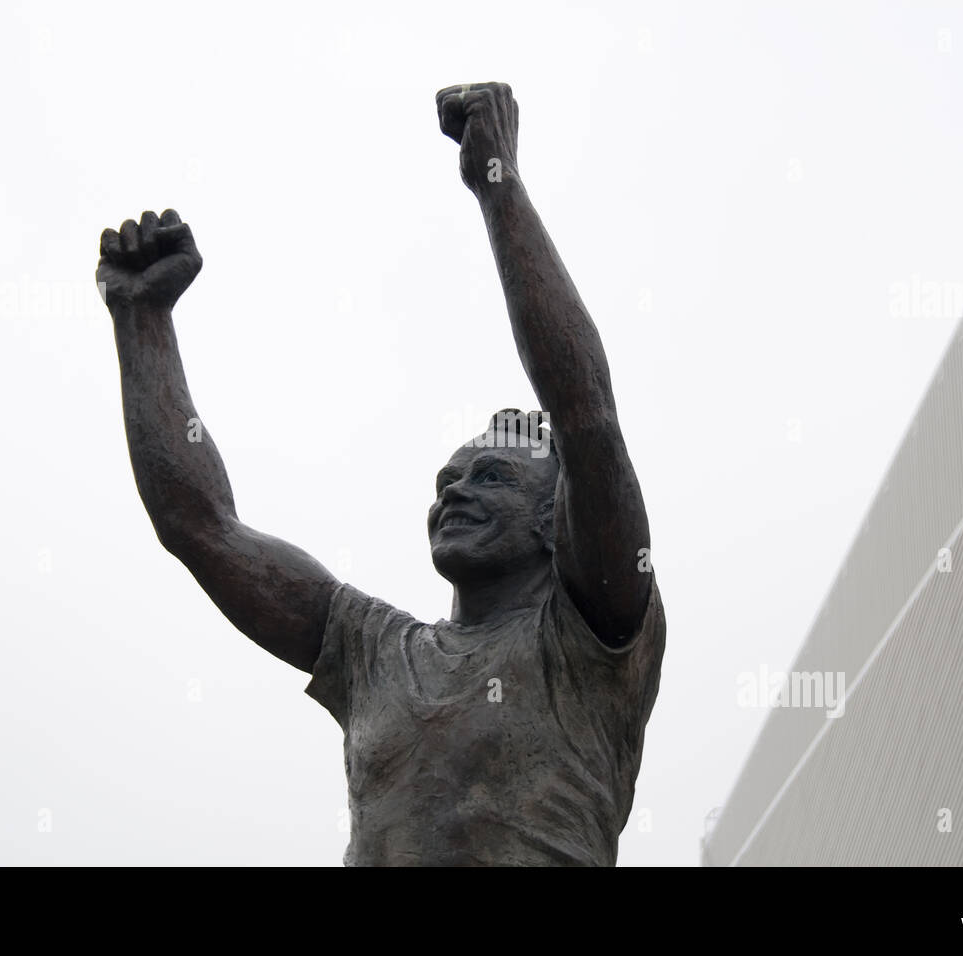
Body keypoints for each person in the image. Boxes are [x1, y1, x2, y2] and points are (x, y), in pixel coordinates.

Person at [96, 82, 665, 866]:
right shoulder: (373, 653)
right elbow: (201, 527)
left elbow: (587, 416)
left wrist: (496, 183)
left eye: (491, 476)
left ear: (553, 517)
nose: (454, 491)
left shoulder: (589, 638)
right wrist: (142, 322)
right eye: (444, 482)